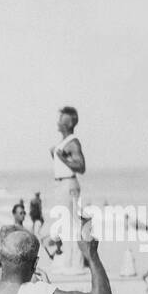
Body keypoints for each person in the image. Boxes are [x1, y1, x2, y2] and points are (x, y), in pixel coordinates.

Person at [48, 106, 85, 260]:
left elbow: (81, 167)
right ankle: (64, 259)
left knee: (69, 223)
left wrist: (62, 158)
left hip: (68, 184)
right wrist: (56, 156)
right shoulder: (63, 143)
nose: (58, 122)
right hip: (61, 184)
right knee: (61, 223)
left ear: (69, 123)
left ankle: (74, 261)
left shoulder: (72, 143)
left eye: (61, 119)